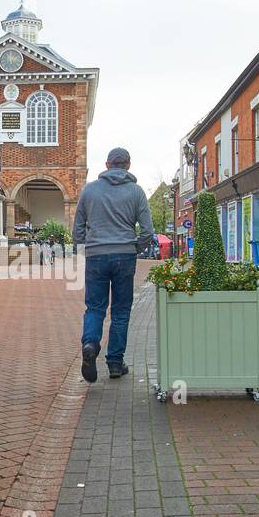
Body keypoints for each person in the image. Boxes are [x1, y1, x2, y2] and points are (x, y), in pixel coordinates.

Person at [72, 147, 155, 382]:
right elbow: (148, 231)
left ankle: (90, 344)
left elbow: (77, 229)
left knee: (95, 307)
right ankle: (116, 363)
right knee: (121, 310)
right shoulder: (136, 192)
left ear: (107, 165)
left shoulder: (90, 191)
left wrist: (89, 244)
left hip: (97, 256)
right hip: (124, 255)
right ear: (128, 165)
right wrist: (135, 247)